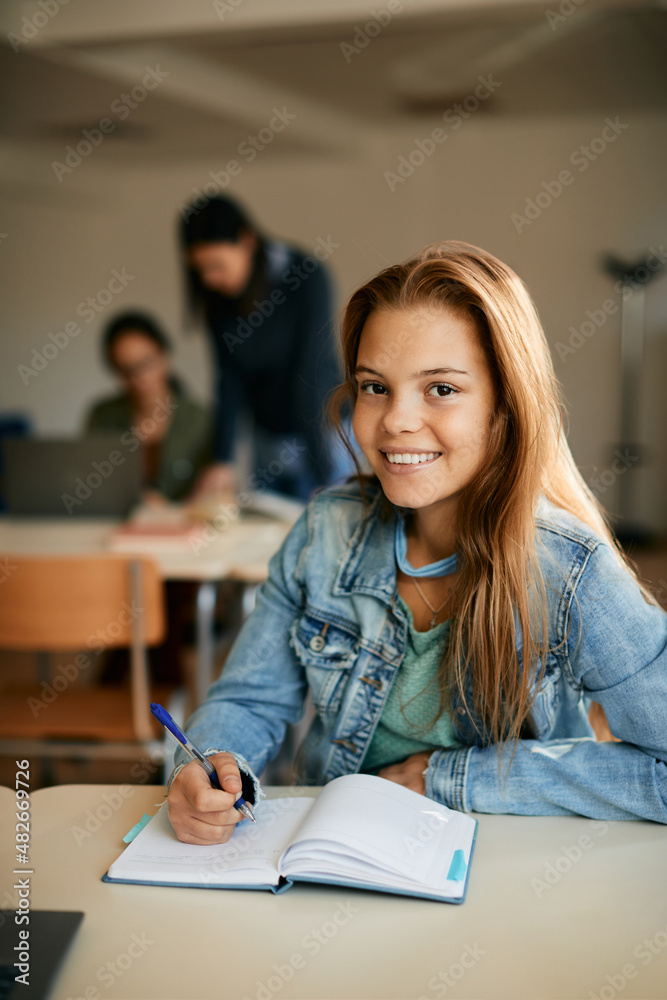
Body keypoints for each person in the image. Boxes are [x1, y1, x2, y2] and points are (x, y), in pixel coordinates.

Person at [167, 240, 667, 844]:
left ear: (505, 406)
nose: (396, 420)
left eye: (441, 389)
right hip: (339, 867)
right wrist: (214, 762)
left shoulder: (570, 569)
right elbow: (249, 700)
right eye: (375, 387)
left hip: (513, 883)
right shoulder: (324, 531)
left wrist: (451, 778)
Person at [179, 194, 344, 502]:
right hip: (269, 439)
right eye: (200, 270)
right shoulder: (218, 297)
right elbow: (229, 381)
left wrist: (325, 472)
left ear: (247, 240)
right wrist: (221, 460)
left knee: (334, 533)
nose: (210, 279)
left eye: (216, 265)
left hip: (324, 433)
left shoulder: (305, 276)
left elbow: (309, 375)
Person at [85, 311, 212, 501]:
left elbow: (212, 493)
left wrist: (168, 509)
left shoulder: (201, 419)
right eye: (127, 370)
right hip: (118, 524)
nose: (140, 377)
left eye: (147, 362)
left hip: (180, 525)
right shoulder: (102, 416)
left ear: (165, 357)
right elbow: (89, 483)